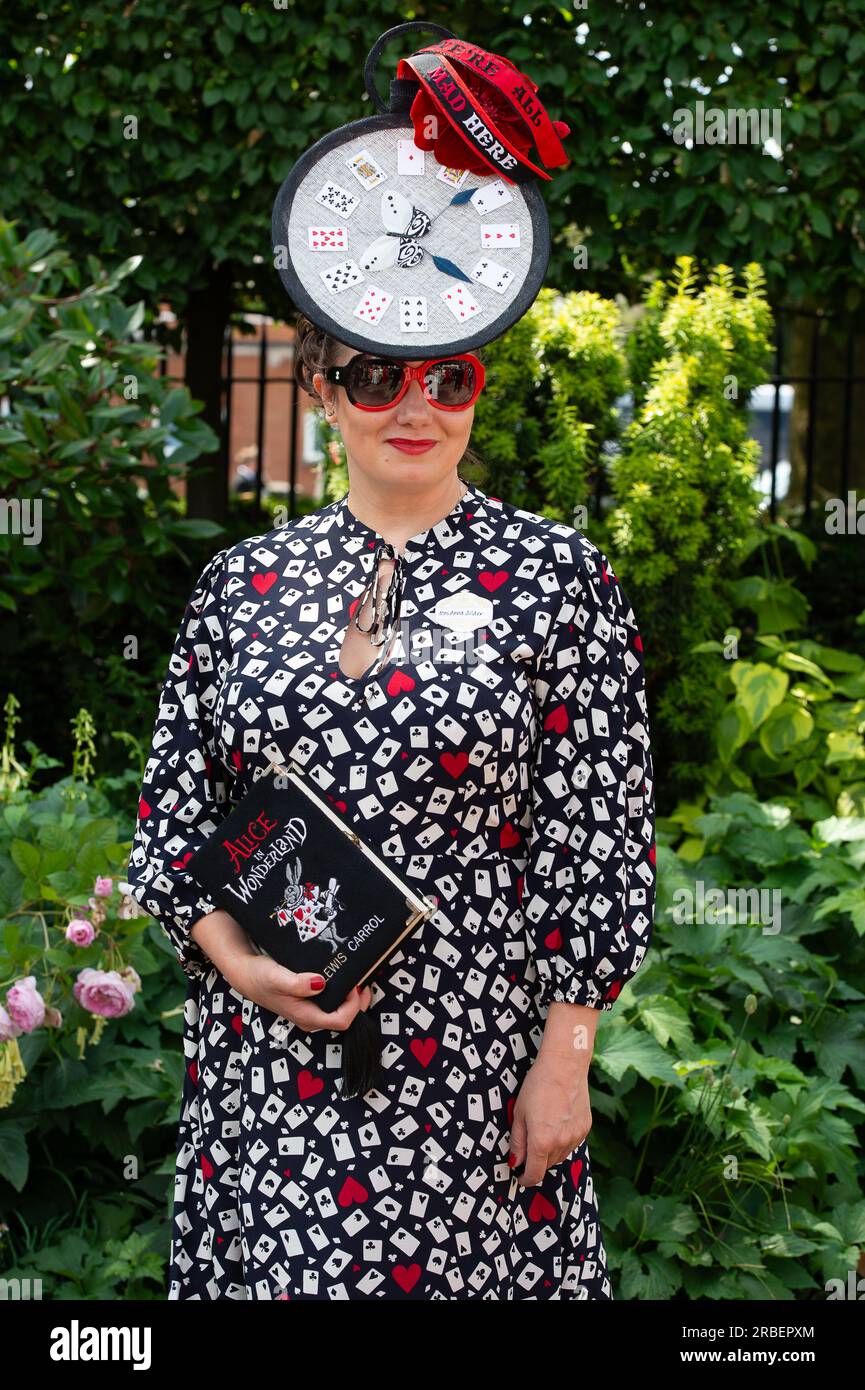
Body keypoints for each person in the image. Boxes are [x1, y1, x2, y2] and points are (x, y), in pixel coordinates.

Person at [125, 26, 656, 1300]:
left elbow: (600, 836)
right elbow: (175, 821)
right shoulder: (238, 586)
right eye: (373, 377)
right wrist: (237, 957)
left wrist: (566, 1057)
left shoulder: (557, 577)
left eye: (447, 375)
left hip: (482, 1075)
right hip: (274, 1075)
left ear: (477, 388)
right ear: (321, 390)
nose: (413, 404)